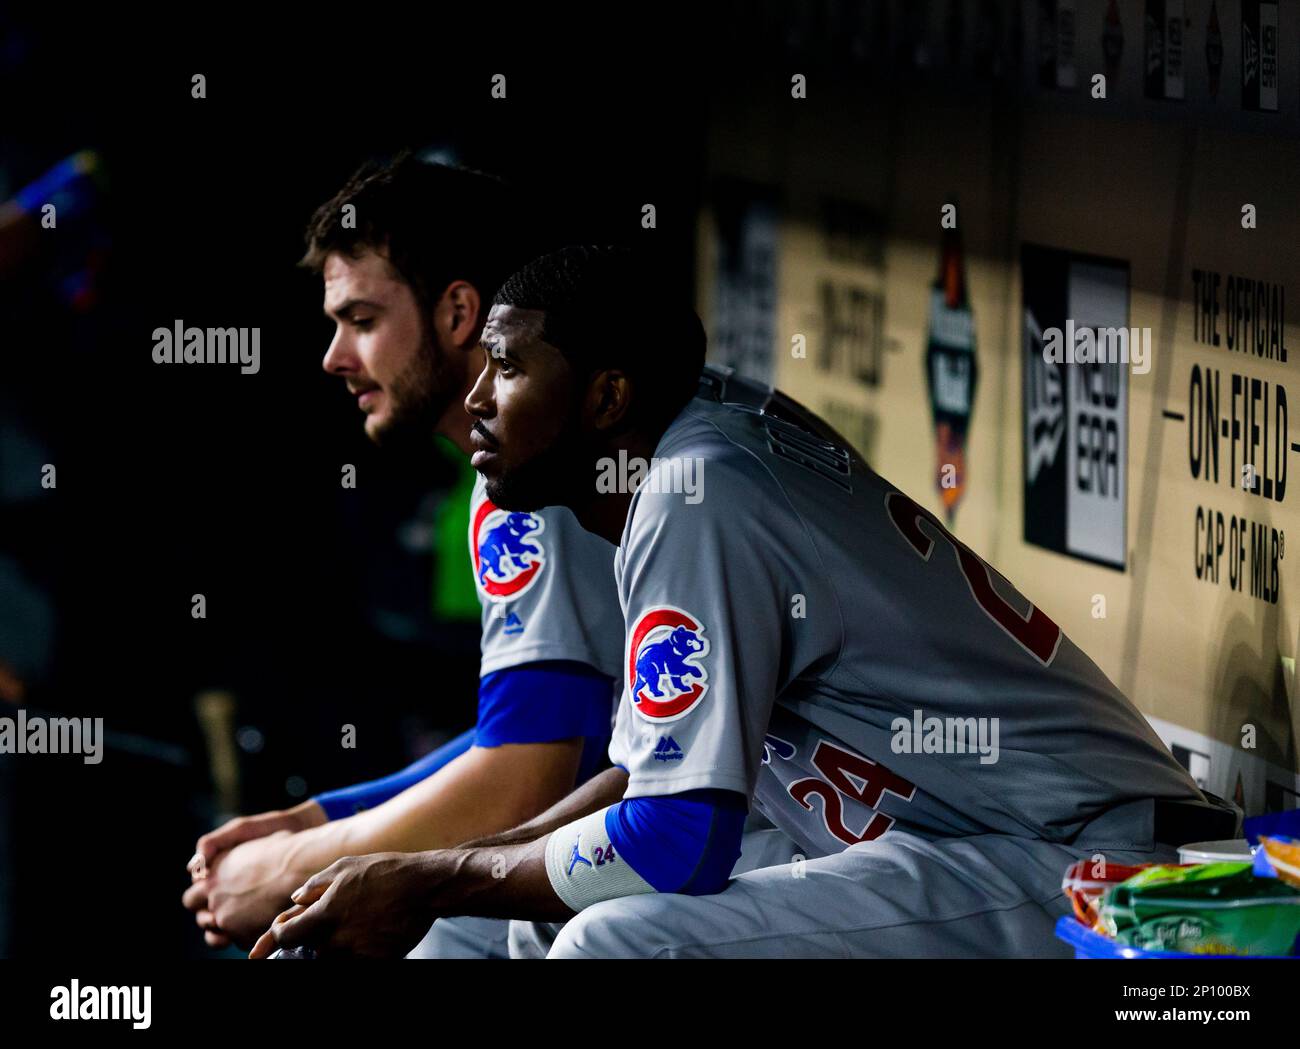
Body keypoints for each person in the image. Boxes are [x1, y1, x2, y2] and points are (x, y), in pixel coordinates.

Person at [250, 245, 1236, 960]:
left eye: (508, 368)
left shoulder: (698, 492)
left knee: (618, 944)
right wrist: (441, 874)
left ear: (605, 398)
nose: (477, 399)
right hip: (943, 841)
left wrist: (429, 868)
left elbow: (677, 843)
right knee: (471, 923)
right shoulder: (675, 468)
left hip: (1088, 861)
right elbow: (647, 784)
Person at [181, 161, 623, 957]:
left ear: (458, 310)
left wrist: (286, 867)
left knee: (359, 929)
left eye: (360, 319)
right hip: (785, 799)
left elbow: (529, 777)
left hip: (847, 832)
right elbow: (544, 732)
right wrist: (324, 819)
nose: (334, 356)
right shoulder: (562, 426)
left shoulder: (541, 466)